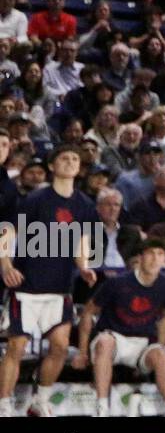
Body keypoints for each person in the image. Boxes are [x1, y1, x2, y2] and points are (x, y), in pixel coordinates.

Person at [0, 145, 98, 417]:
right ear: (53, 166)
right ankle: (4, 404)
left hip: (60, 288)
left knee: (60, 346)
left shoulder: (85, 204)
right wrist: (6, 265)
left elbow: (83, 242)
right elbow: (7, 232)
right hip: (27, 287)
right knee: (16, 347)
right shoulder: (35, 198)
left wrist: (84, 267)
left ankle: (40, 400)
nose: (70, 162)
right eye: (65, 158)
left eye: (75, 159)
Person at [75, 237, 165, 417]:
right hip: (114, 338)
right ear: (140, 257)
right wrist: (82, 352)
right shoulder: (117, 282)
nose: (155, 259)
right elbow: (88, 312)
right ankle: (102, 407)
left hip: (143, 343)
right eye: (150, 253)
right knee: (105, 342)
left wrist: (161, 345)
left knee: (160, 354)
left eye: (160, 254)